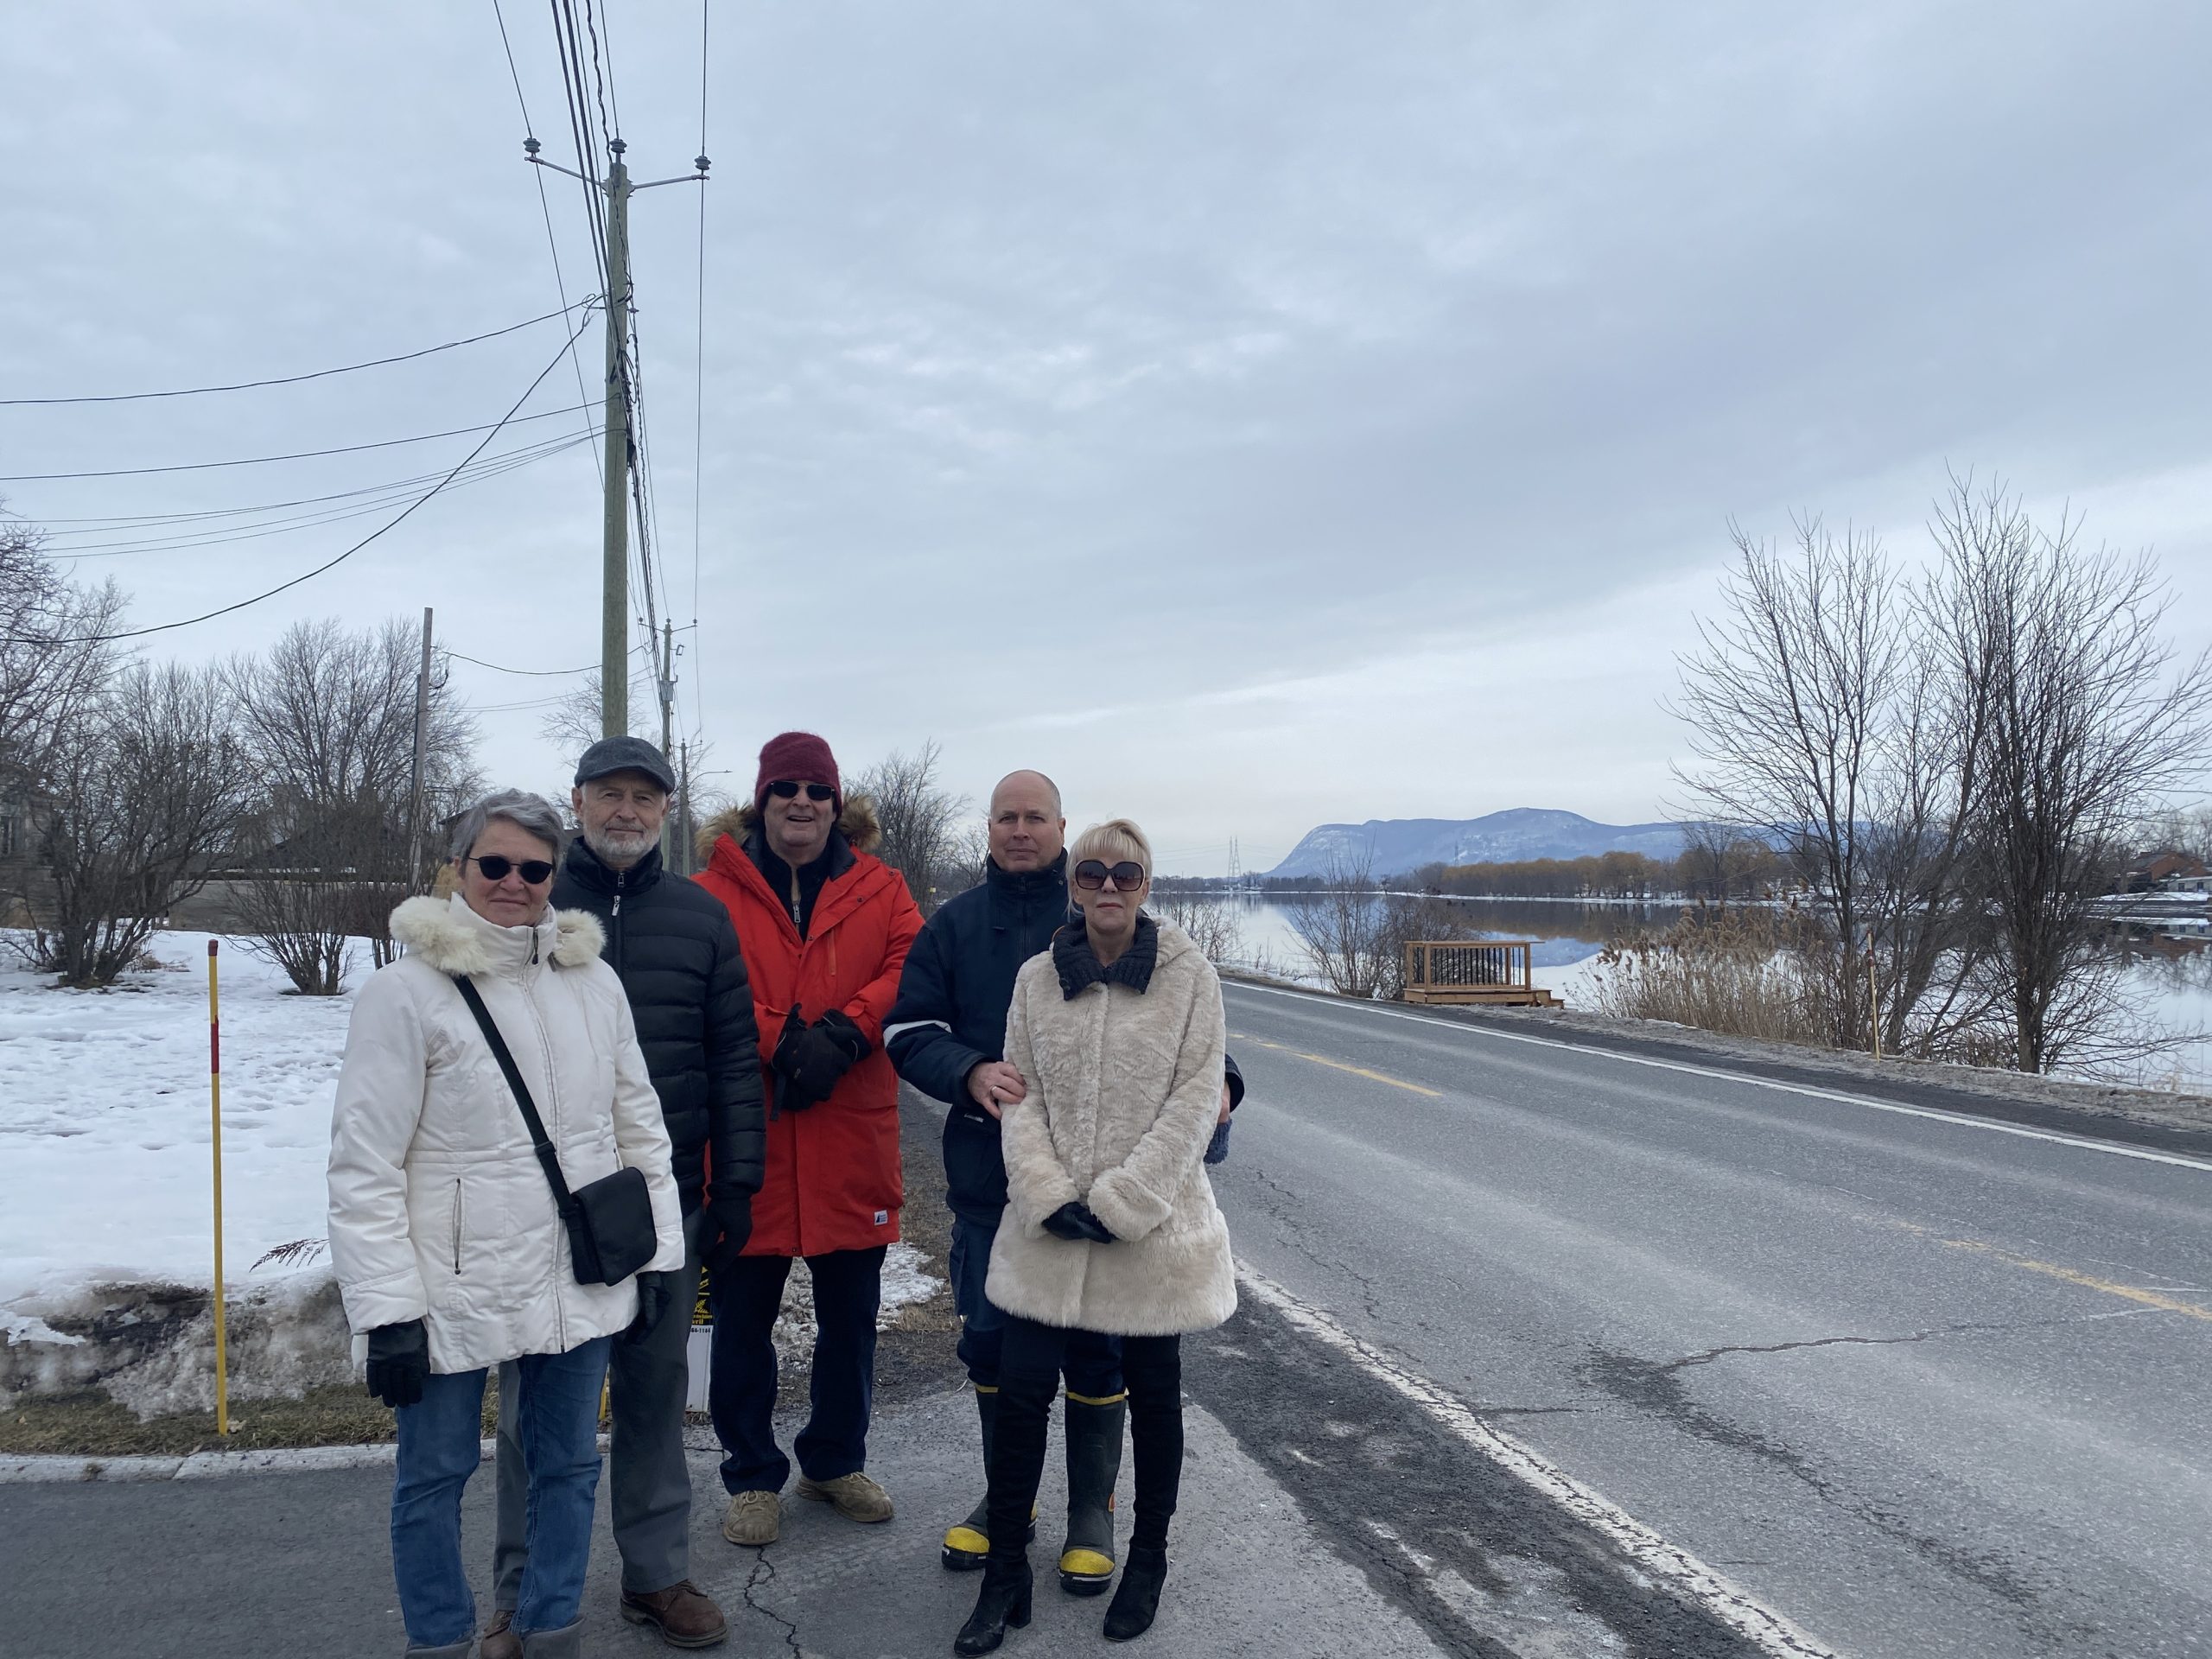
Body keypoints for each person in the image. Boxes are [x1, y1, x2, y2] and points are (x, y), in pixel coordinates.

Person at [328, 790, 687, 1659]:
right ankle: (442, 1640)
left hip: (576, 1271)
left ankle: (545, 1632)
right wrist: (385, 1311)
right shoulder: (404, 993)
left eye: (535, 868)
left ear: (554, 877)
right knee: (433, 1478)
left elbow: (637, 1123)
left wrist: (660, 1258)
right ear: (458, 869)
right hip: (450, 1283)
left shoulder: (591, 981)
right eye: (495, 865)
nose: (515, 883)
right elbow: (363, 1165)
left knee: (567, 1469)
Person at [886, 773, 1243, 1595]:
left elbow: (1179, 1054)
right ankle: (1002, 1505)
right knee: (993, 1351)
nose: (1020, 830)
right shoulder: (956, 924)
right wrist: (970, 1070)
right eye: (1006, 817)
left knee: (1101, 1355)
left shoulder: (1114, 917)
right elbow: (906, 1028)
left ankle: (1093, 1509)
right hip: (994, 1178)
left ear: (1061, 830)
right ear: (989, 828)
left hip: (1118, 1191)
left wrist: (1227, 1080)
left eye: (1035, 817)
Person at [480, 740, 765, 1656]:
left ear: (666, 810)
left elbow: (730, 1059)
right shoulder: (528, 901)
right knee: (539, 1410)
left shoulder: (702, 918)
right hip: (548, 1211)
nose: (627, 811)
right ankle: (520, 1593)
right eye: (610, 795)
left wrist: (738, 1185)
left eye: (645, 797)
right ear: (579, 801)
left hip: (664, 1201)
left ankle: (655, 1575)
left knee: (652, 1391)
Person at [691, 732, 923, 1548]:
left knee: (850, 1322)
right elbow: (703, 986)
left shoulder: (883, 889)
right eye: (785, 787)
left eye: (816, 790)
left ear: (837, 802)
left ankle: (833, 1459)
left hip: (849, 1139)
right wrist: (779, 1037)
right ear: (762, 799)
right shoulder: (709, 894)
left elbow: (909, 967)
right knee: (744, 1327)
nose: (801, 802)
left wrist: (846, 1033)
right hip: (747, 1143)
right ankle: (751, 1474)